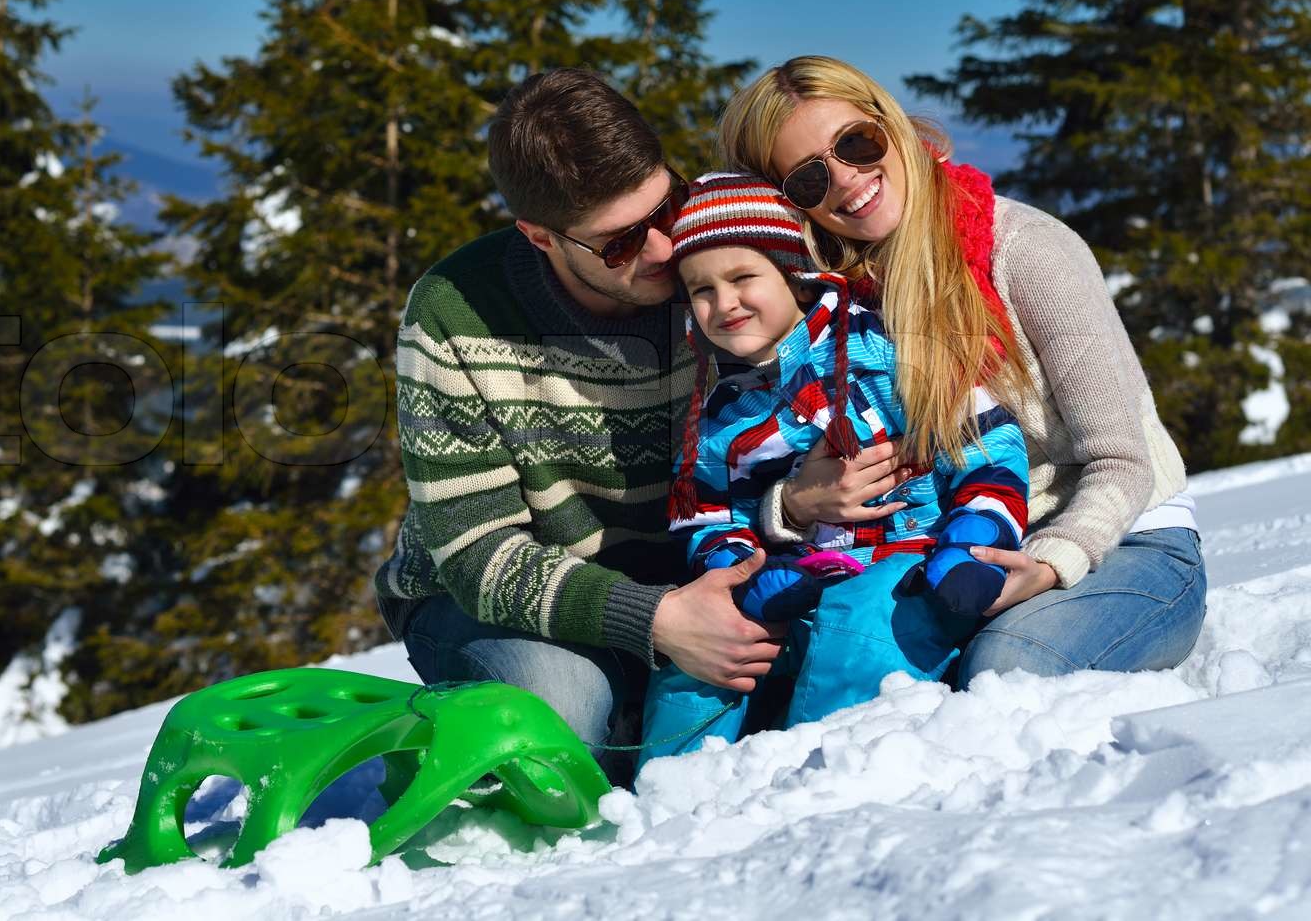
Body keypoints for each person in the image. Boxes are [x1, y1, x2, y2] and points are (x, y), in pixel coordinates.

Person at [717, 56, 1206, 687]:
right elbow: (745, 458)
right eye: (809, 180)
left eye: (855, 144)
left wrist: (1054, 561)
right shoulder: (820, 307)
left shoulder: (1025, 250)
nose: (846, 180)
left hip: (1122, 544)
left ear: (888, 123)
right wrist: (794, 504)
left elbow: (1122, 461)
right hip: (942, 554)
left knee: (1005, 671)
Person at [373, 68, 783, 783]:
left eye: (669, 207)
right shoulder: (454, 310)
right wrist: (655, 620)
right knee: (558, 706)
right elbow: (475, 553)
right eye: (620, 244)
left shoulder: (720, 266)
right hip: (493, 602)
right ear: (540, 237)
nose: (662, 249)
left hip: (699, 575)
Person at [636, 174, 1030, 766]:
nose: (725, 304)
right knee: (701, 658)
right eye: (701, 290)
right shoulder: (720, 412)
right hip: (790, 587)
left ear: (793, 272)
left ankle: (819, 775)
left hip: (911, 568)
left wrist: (969, 544)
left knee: (857, 622)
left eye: (744, 278)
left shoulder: (887, 353)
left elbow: (988, 447)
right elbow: (705, 513)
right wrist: (740, 573)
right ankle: (670, 790)